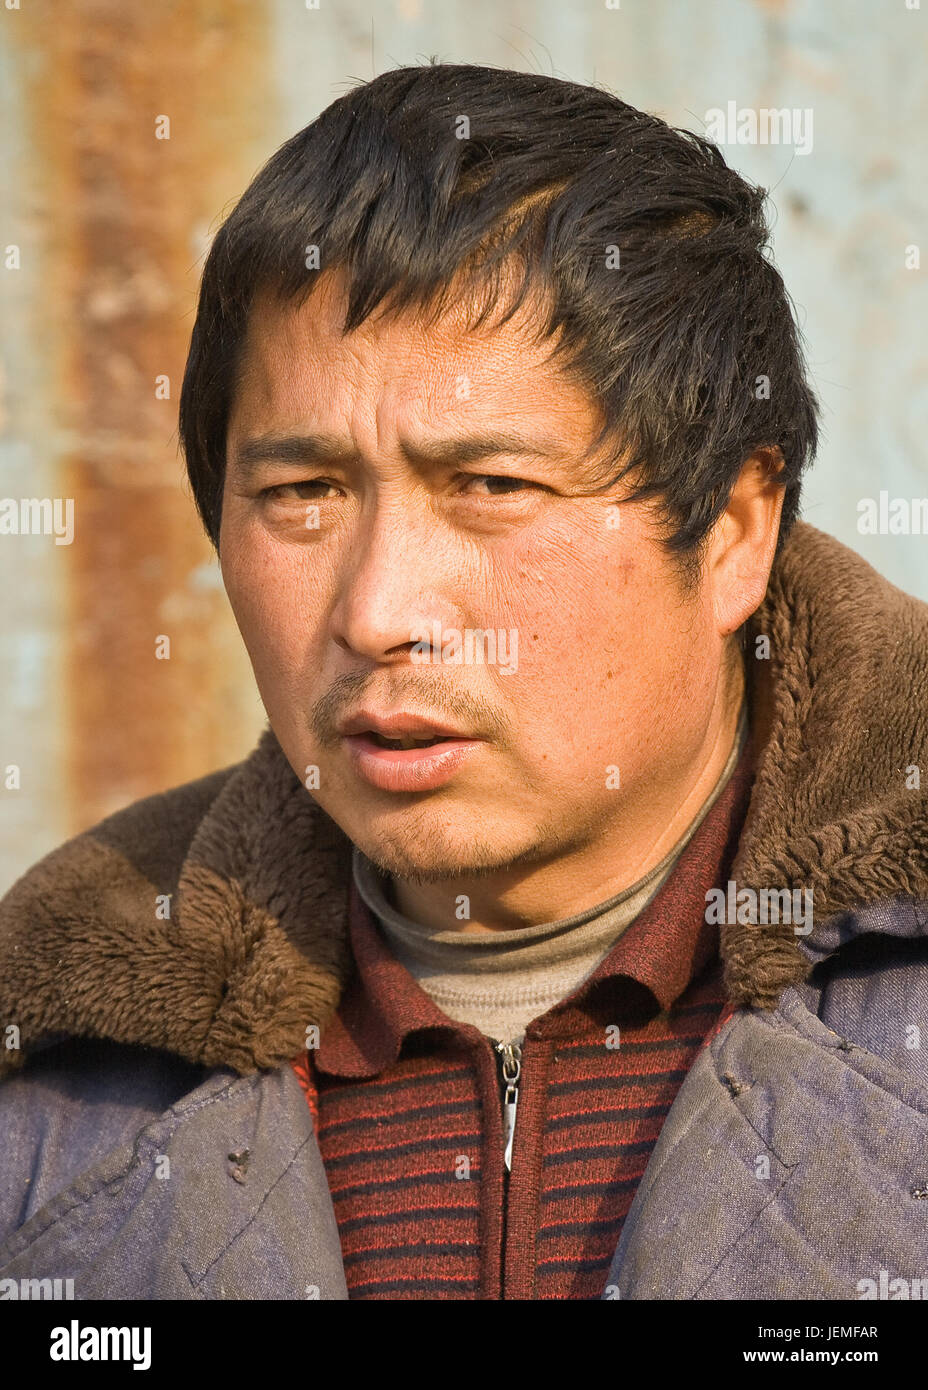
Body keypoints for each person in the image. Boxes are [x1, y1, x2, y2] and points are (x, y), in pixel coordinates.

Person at [1, 62, 925, 1302]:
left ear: (733, 534)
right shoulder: (59, 1070)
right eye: (301, 496)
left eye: (491, 488)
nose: (379, 613)